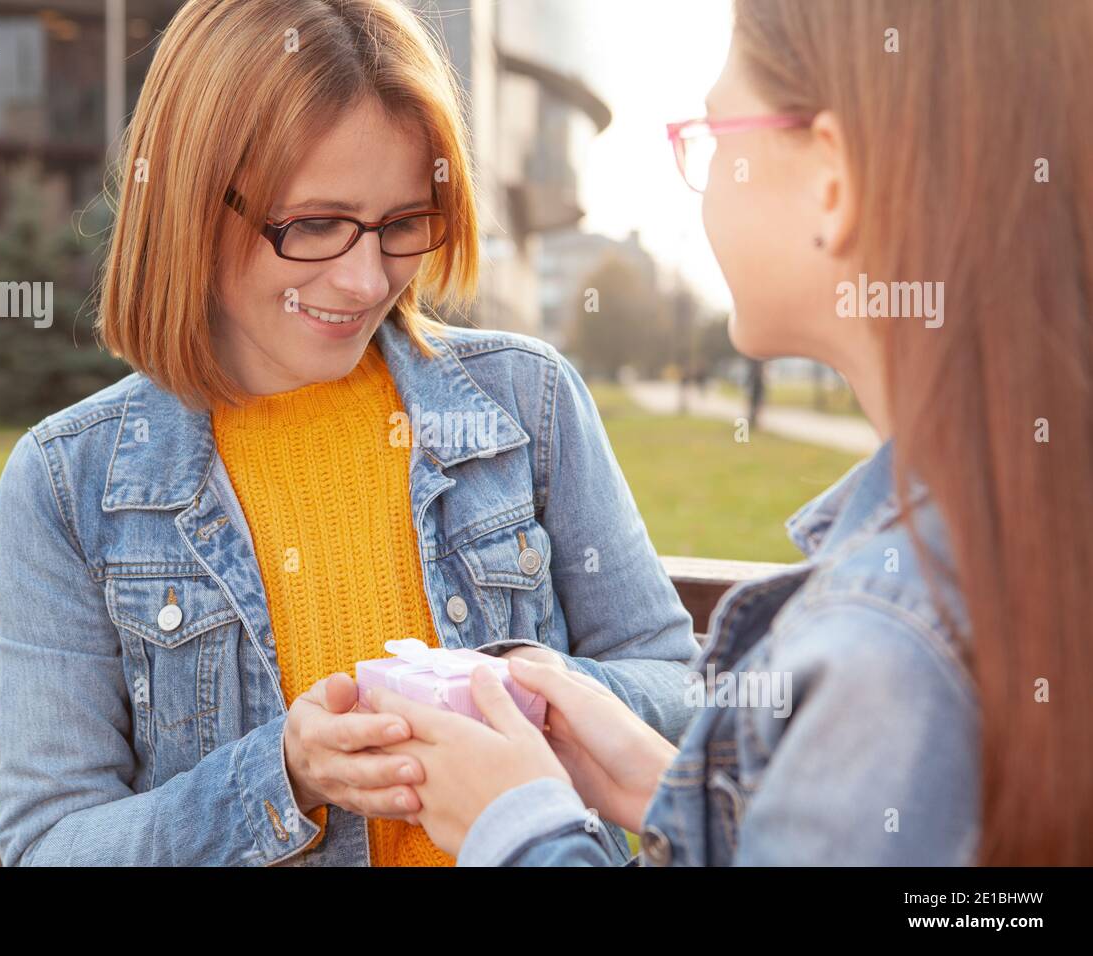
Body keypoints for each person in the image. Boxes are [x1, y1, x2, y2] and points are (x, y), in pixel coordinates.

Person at [369, 0, 1093, 866]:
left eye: (715, 136)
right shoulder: (995, 534)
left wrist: (518, 827)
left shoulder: (881, 652)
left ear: (832, 179)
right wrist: (665, 787)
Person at [0, 0, 696, 867]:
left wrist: (517, 693)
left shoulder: (527, 399)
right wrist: (282, 775)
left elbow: (678, 691)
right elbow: (53, 845)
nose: (365, 281)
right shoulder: (68, 482)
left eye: (401, 224)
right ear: (187, 200)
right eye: (315, 224)